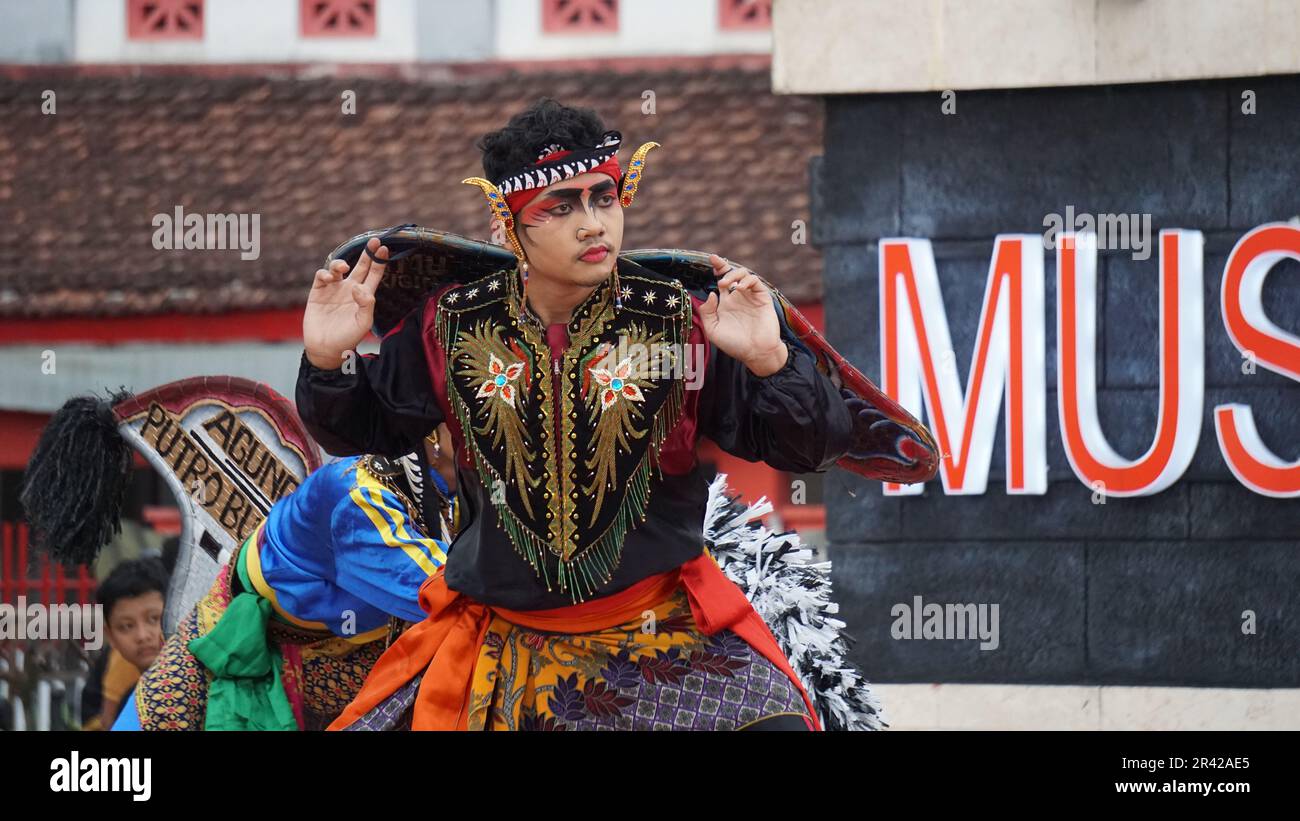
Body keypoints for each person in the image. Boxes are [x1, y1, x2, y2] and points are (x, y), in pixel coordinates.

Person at [295, 98, 855, 730]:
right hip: (511, 653)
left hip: (667, 641)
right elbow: (359, 429)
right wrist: (328, 355)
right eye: (560, 208)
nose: (593, 225)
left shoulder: (683, 323)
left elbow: (812, 449)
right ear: (512, 225)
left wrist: (770, 361)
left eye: (604, 199)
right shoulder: (450, 325)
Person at [112, 435, 457, 730]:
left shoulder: (461, 492)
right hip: (257, 644)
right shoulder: (353, 493)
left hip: (357, 660)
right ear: (435, 435)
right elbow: (448, 592)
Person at [82, 558, 168, 729]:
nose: (142, 636)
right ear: (111, 637)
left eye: (154, 619)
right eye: (127, 626)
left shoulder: (201, 684)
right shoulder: (132, 704)